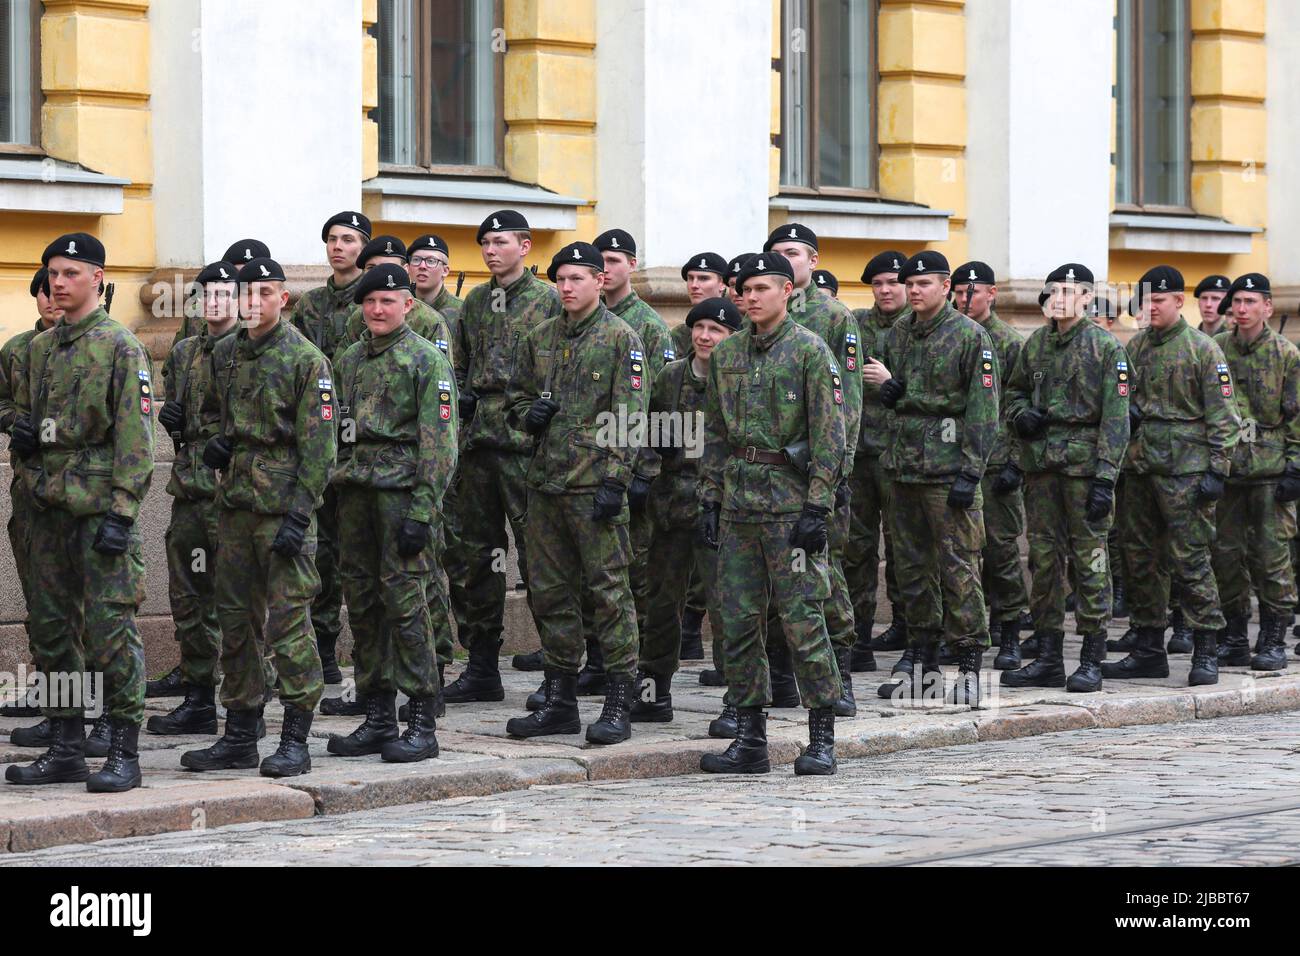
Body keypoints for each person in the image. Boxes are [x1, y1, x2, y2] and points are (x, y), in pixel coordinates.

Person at [5, 234, 154, 792]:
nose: (58, 283)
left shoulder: (122, 347)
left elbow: (136, 437)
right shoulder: (39, 350)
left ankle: (123, 749)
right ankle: (66, 744)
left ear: (97, 277)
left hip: (97, 512)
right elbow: (26, 422)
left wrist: (122, 510)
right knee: (50, 631)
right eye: (52, 274)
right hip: (46, 511)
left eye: (70, 273)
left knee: (111, 630)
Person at [180, 256, 335, 777]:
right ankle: (241, 733)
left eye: (263, 294)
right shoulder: (223, 354)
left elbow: (321, 449)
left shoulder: (306, 360)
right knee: (235, 620)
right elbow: (205, 412)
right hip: (235, 508)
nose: (252, 303)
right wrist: (218, 444)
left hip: (282, 510)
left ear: (282, 299)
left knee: (289, 624)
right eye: (245, 293)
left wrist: (301, 514)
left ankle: (296, 736)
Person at [698, 251, 846, 775]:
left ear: (787, 291)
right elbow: (714, 434)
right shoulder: (728, 354)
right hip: (740, 507)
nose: (752, 297)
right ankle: (750, 737)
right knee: (737, 624)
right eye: (745, 289)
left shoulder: (810, 352)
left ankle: (822, 735)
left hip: (791, 506)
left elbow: (831, 436)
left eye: (763, 288)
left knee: (804, 620)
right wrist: (710, 498)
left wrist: (818, 506)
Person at [502, 242, 647, 744]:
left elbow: (630, 416)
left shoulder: (620, 339)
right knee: (549, 594)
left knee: (609, 594)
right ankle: (559, 699)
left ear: (599, 281)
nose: (566, 287)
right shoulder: (538, 337)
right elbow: (515, 397)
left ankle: (619, 700)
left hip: (594, 489)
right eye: (559, 279)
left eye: (576, 278)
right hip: (545, 486)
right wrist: (526, 415)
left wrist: (616, 480)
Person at [327, 264, 458, 761]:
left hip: (403, 497)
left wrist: (423, 511)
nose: (378, 310)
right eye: (370, 302)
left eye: (388, 301)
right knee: (363, 604)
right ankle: (378, 714)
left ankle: (422, 717)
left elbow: (440, 443)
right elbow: (339, 427)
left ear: (408, 304)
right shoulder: (351, 359)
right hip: (357, 495)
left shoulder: (427, 361)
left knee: (406, 606)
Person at [866, 251, 998, 706]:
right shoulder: (899, 333)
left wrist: (971, 472)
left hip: (948, 474)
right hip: (903, 469)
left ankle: (968, 669)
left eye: (925, 283)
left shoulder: (970, 337)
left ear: (947, 287)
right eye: (911, 284)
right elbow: (890, 396)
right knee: (911, 571)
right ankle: (921, 669)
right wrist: (891, 395)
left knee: (959, 568)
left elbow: (984, 411)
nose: (915, 290)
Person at [445, 210, 562, 702]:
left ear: (525, 247)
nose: (491, 250)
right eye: (485, 242)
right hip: (479, 447)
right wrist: (465, 397)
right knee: (477, 559)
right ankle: (481, 664)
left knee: (541, 560)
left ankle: (559, 670)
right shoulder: (474, 301)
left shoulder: (550, 300)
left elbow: (561, 367)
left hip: (525, 447)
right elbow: (463, 362)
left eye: (500, 242)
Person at [1105, 266, 1238, 687]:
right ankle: (1148, 649)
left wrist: (1218, 470)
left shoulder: (1203, 350)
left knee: (1192, 561)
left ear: (1180, 301)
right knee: (1140, 561)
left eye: (1157, 300)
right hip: (1141, 471)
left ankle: (1206, 649)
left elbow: (1224, 418)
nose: (1149, 309)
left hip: (1187, 476)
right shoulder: (1135, 347)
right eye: (1143, 301)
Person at [1000, 263, 1130, 691]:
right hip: (1042, 470)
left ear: (1088, 298)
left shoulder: (1105, 348)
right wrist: (1022, 416)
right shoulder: (1035, 345)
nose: (1059, 299)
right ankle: (1049, 655)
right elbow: (1014, 391)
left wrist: (1106, 478)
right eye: (1053, 291)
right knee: (1044, 562)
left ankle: (1092, 655)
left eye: (1069, 292)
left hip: (1084, 470)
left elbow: (1117, 417)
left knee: (1090, 561)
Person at [764, 223, 862, 716]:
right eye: (778, 252)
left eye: (795, 253)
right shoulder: (760, 311)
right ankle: (781, 677)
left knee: (826, 572)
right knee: (775, 581)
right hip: (770, 478)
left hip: (818, 473)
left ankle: (839, 673)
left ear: (813, 261)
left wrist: (838, 473)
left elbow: (846, 401)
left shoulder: (833, 316)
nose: (787, 260)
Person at [630, 297, 740, 730]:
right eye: (699, 328)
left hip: (721, 504)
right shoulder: (670, 376)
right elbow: (648, 429)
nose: (705, 336)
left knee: (728, 605)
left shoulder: (738, 377)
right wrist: (646, 469)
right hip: (670, 504)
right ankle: (653, 692)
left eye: (716, 329)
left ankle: (739, 701)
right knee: (659, 603)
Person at [147, 262, 245, 736]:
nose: (214, 302)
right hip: (189, 488)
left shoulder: (251, 349)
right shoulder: (185, 350)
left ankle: (245, 705)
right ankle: (199, 696)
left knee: (236, 599)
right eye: (206, 294)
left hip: (234, 493)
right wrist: (174, 418)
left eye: (225, 294)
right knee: (188, 596)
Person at [1210, 274, 1299, 671]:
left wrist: (1295, 467)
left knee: (1271, 557)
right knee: (1226, 556)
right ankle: (1233, 635)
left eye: (1250, 302)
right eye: (1238, 302)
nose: (1242, 309)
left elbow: (1297, 415)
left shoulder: (1287, 354)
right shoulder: (1216, 349)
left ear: (1267, 307)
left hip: (1269, 469)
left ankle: (1273, 637)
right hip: (1228, 470)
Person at [952, 261, 1032, 668]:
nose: (965, 300)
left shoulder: (1007, 342)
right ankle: (967, 630)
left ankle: (1011, 630)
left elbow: (1019, 405)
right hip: (961, 460)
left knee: (1001, 552)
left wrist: (1016, 464)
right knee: (964, 552)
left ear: (991, 294)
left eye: (973, 292)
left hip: (999, 462)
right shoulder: (957, 336)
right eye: (960, 292)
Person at [0, 269, 62, 718]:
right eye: (43, 290)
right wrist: (13, 425)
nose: (52, 297)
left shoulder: (101, 346)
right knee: (39, 594)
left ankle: (88, 700)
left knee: (80, 602)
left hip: (74, 490)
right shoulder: (17, 350)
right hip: (29, 487)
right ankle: (49, 687)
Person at [846, 251, 909, 665]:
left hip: (903, 455)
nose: (885, 290)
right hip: (860, 455)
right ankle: (859, 639)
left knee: (906, 548)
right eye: (878, 284)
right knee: (857, 549)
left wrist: (892, 383)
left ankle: (911, 631)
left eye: (893, 283)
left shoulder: (916, 329)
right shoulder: (855, 324)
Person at [675, 251, 729, 357]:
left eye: (703, 278)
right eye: (690, 278)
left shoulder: (738, 326)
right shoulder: (680, 334)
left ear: (722, 284)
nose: (694, 285)